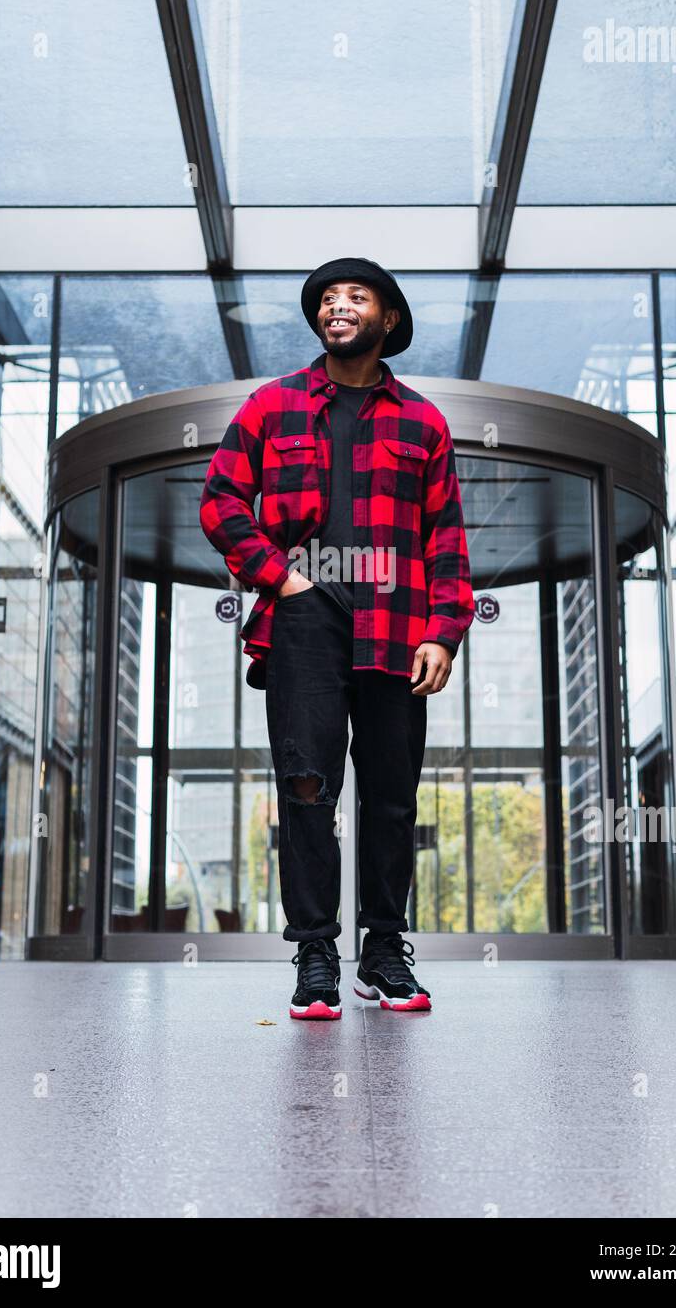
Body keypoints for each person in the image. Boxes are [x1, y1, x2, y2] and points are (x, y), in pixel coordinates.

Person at [200, 257, 474, 1019]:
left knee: (391, 798)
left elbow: (446, 537)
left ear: (388, 319)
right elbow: (221, 498)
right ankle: (316, 953)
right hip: (305, 625)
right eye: (327, 299)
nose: (338, 307)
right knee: (307, 789)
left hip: (397, 622)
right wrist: (278, 579)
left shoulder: (423, 421)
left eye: (356, 297)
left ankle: (382, 949)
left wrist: (445, 633)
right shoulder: (272, 405)